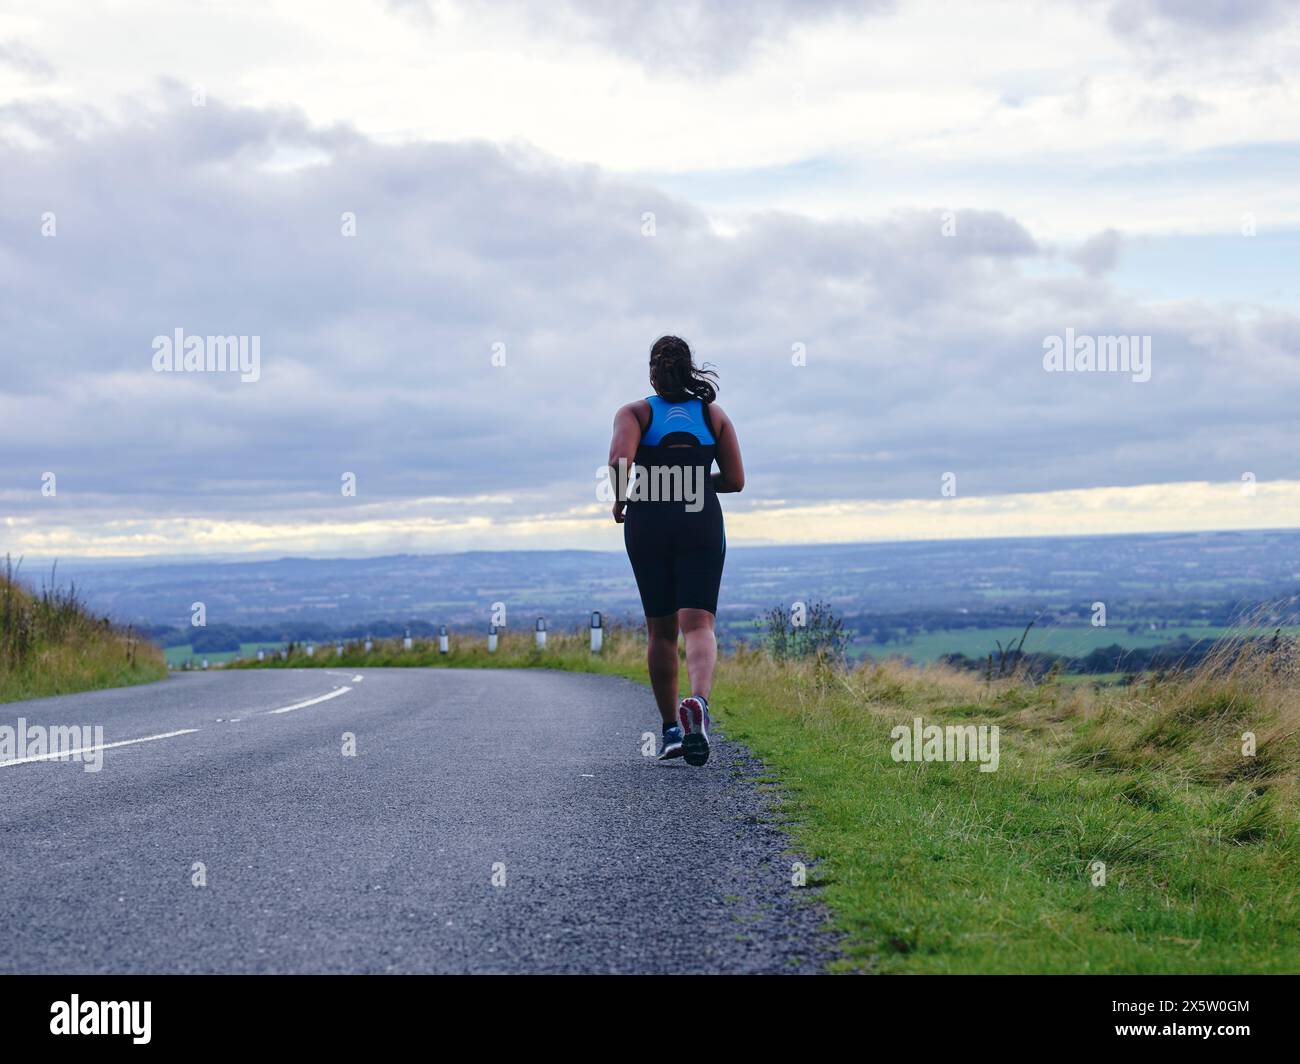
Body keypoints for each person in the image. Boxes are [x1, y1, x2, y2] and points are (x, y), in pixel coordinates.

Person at [607, 336, 745, 765]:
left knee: (661, 631)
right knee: (699, 624)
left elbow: (619, 462)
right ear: (690, 369)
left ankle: (670, 730)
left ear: (652, 371)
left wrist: (620, 497)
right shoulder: (713, 415)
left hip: (649, 523)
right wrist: (697, 483)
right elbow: (736, 480)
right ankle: (699, 704)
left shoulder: (636, 413)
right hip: (700, 520)